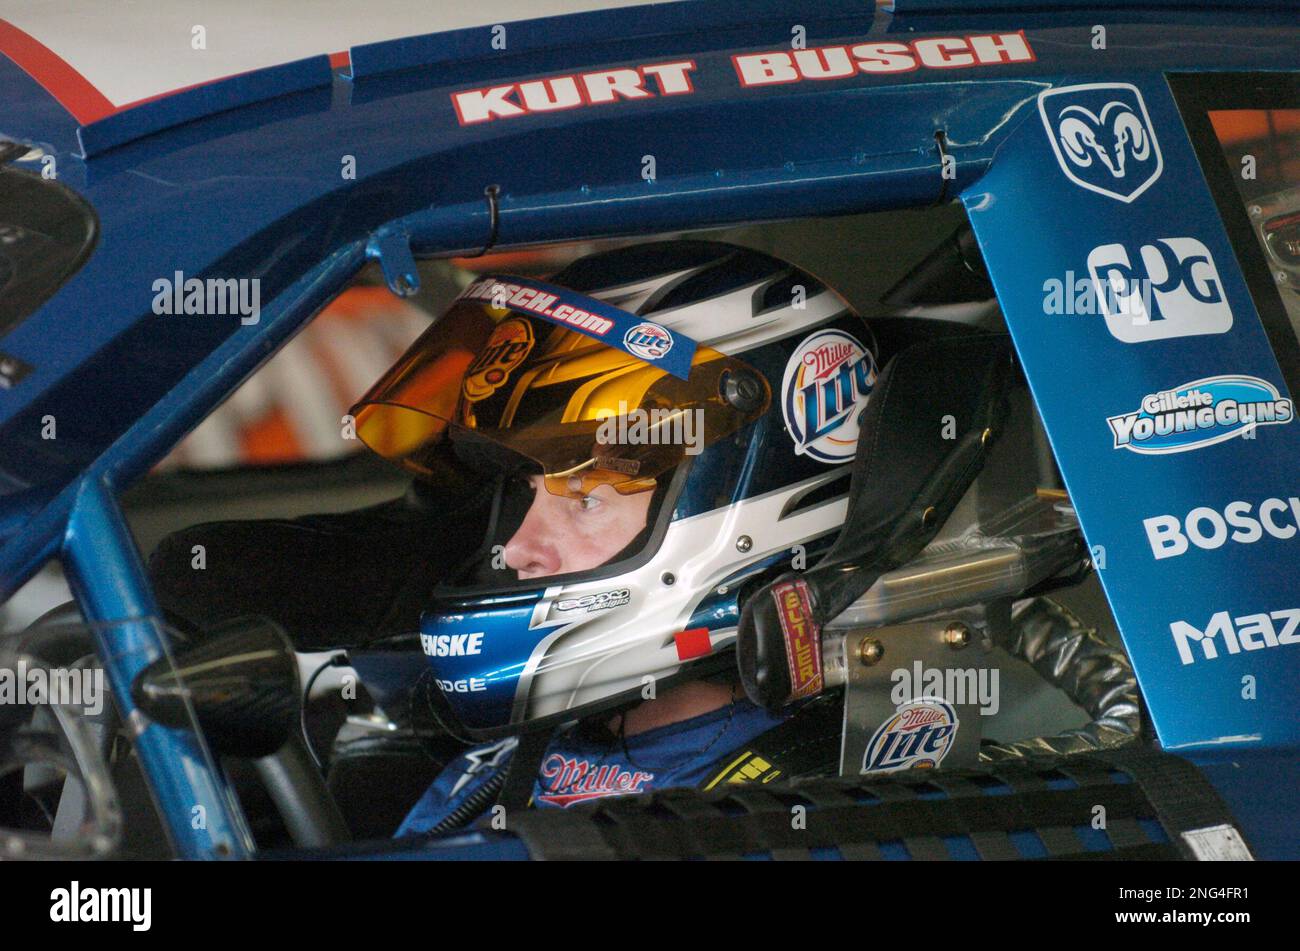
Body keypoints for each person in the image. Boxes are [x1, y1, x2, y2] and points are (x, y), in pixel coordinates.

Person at [349, 240, 882, 834]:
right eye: (527, 495)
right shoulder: (497, 765)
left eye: (584, 498)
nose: (519, 550)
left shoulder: (814, 802)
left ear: (741, 506)